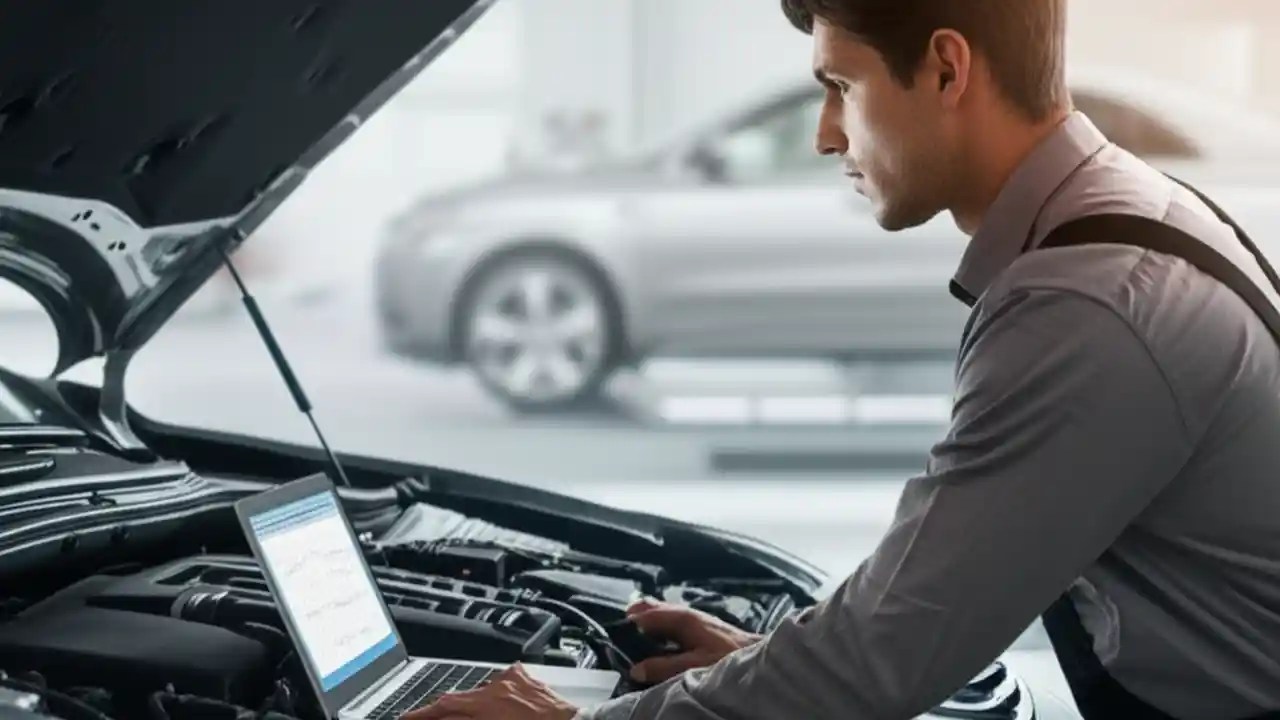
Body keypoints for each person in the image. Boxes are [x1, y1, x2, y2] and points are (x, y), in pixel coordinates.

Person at [408, 0, 1280, 718]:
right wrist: (757, 667)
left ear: (947, 69)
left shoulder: (1087, 304)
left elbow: (884, 658)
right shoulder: (1125, 215)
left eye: (840, 86)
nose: (827, 135)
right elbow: (905, 623)